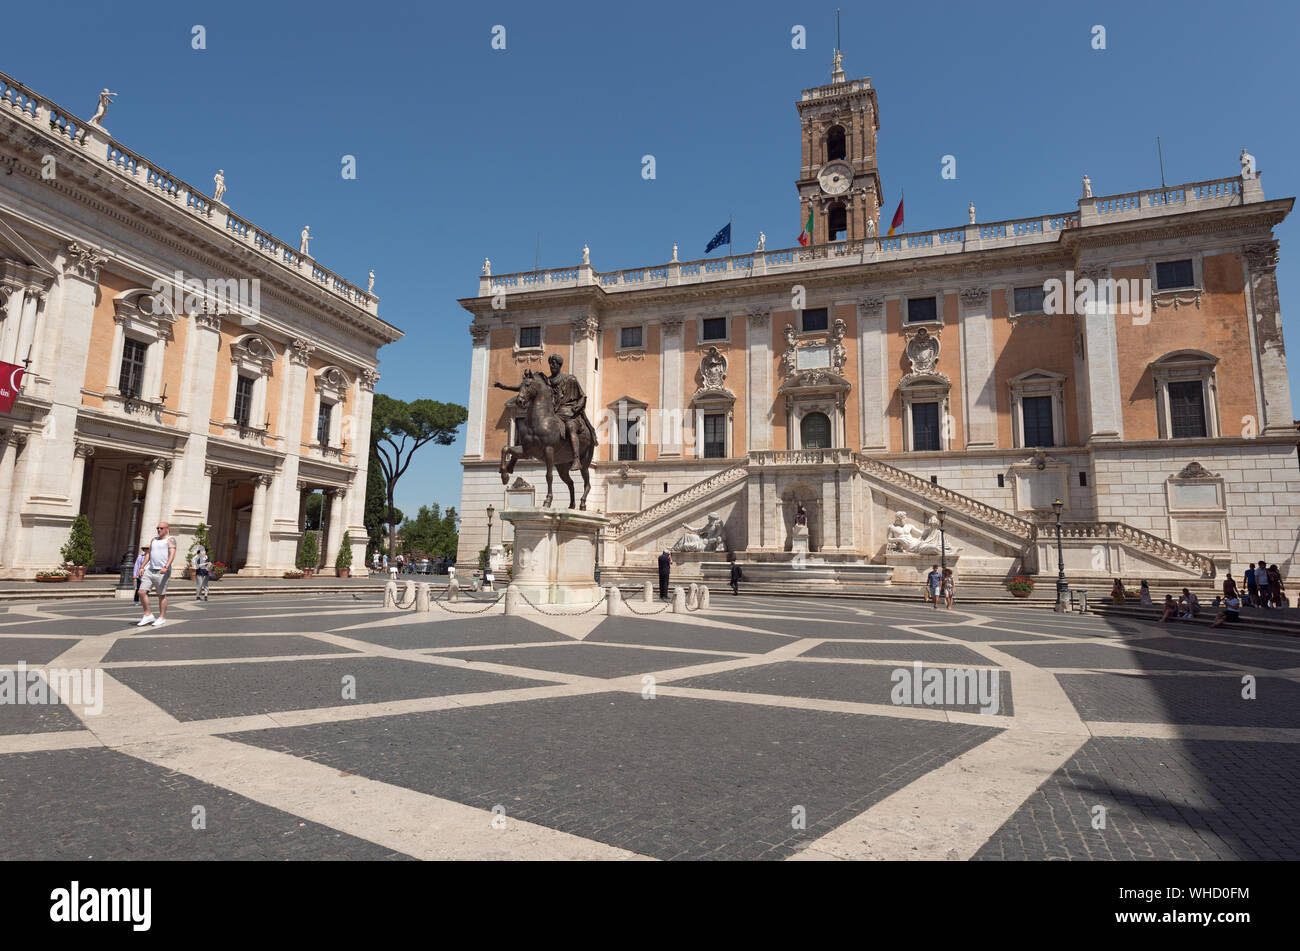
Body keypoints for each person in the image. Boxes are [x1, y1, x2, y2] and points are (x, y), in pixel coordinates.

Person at [136, 521, 177, 628]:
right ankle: (148, 614)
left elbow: (172, 554)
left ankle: (162, 617)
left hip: (162, 571)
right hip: (150, 570)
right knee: (141, 592)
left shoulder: (170, 540)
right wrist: (141, 567)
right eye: (158, 528)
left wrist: (166, 566)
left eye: (161, 528)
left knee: (161, 595)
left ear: (167, 529)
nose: (159, 530)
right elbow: (148, 554)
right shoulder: (153, 540)